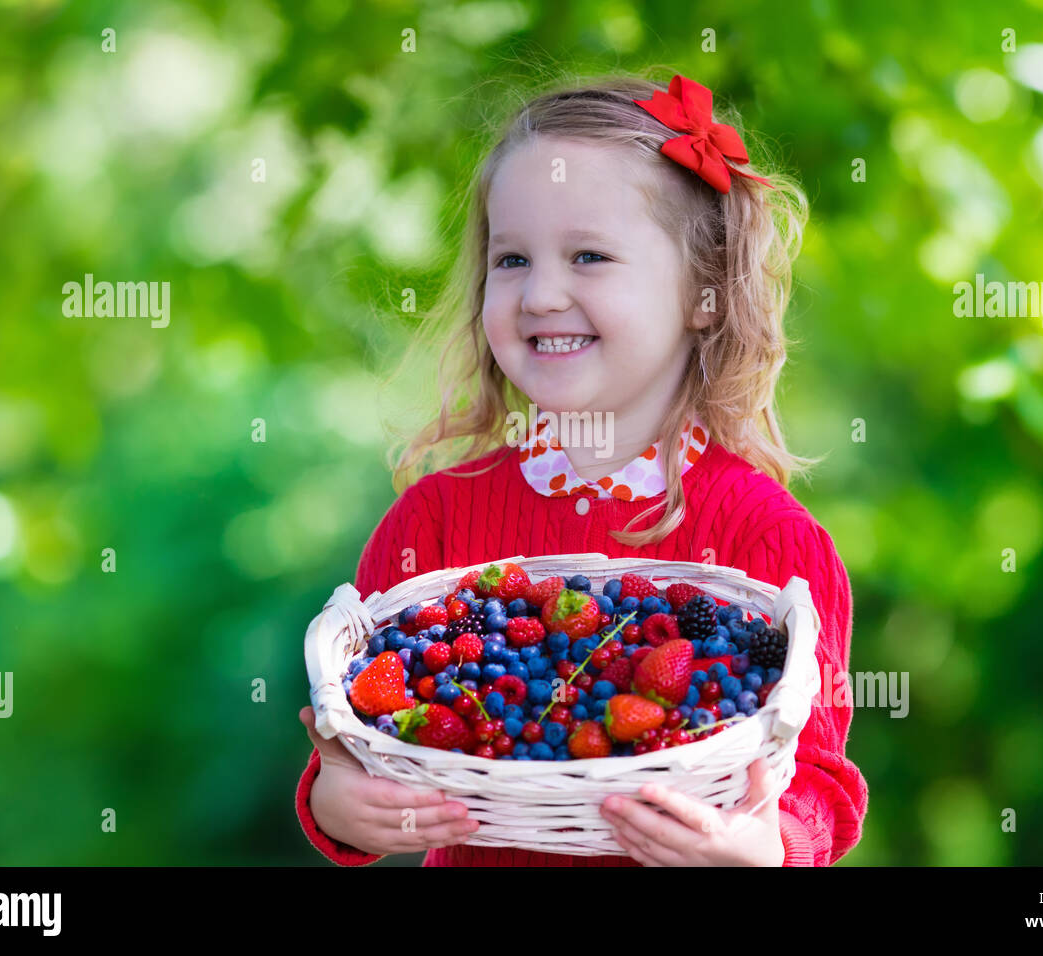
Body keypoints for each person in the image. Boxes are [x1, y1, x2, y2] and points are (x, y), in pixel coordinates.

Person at [295, 71, 867, 866]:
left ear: (705, 292)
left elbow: (817, 786)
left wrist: (768, 847)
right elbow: (350, 741)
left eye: (589, 255)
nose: (541, 294)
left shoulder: (769, 541)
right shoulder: (432, 522)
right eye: (513, 259)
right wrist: (336, 804)